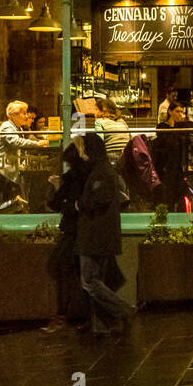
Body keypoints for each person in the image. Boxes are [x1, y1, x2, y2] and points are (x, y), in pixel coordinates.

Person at [76, 132, 134, 337]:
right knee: (96, 280)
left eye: (83, 148)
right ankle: (100, 326)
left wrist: (79, 204)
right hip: (99, 235)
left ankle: (123, 310)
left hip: (95, 235)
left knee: (90, 281)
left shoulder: (101, 172)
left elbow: (97, 199)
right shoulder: (100, 169)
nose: (81, 152)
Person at [41, 136, 89, 332]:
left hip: (71, 230)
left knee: (62, 268)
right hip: (84, 230)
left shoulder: (71, 178)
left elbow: (55, 203)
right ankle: (83, 314)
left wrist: (55, 188)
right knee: (82, 274)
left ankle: (63, 314)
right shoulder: (89, 175)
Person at [0, 100, 45, 188]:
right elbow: (16, 142)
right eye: (24, 113)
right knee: (37, 176)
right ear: (13, 115)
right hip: (7, 164)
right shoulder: (7, 126)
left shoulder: (18, 128)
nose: (27, 116)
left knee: (41, 170)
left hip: (16, 162)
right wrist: (37, 144)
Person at [151, 101, 189, 211]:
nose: (180, 114)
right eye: (177, 111)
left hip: (177, 167)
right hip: (165, 167)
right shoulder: (163, 127)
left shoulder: (182, 128)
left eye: (182, 111)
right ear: (170, 112)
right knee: (167, 196)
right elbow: (167, 143)